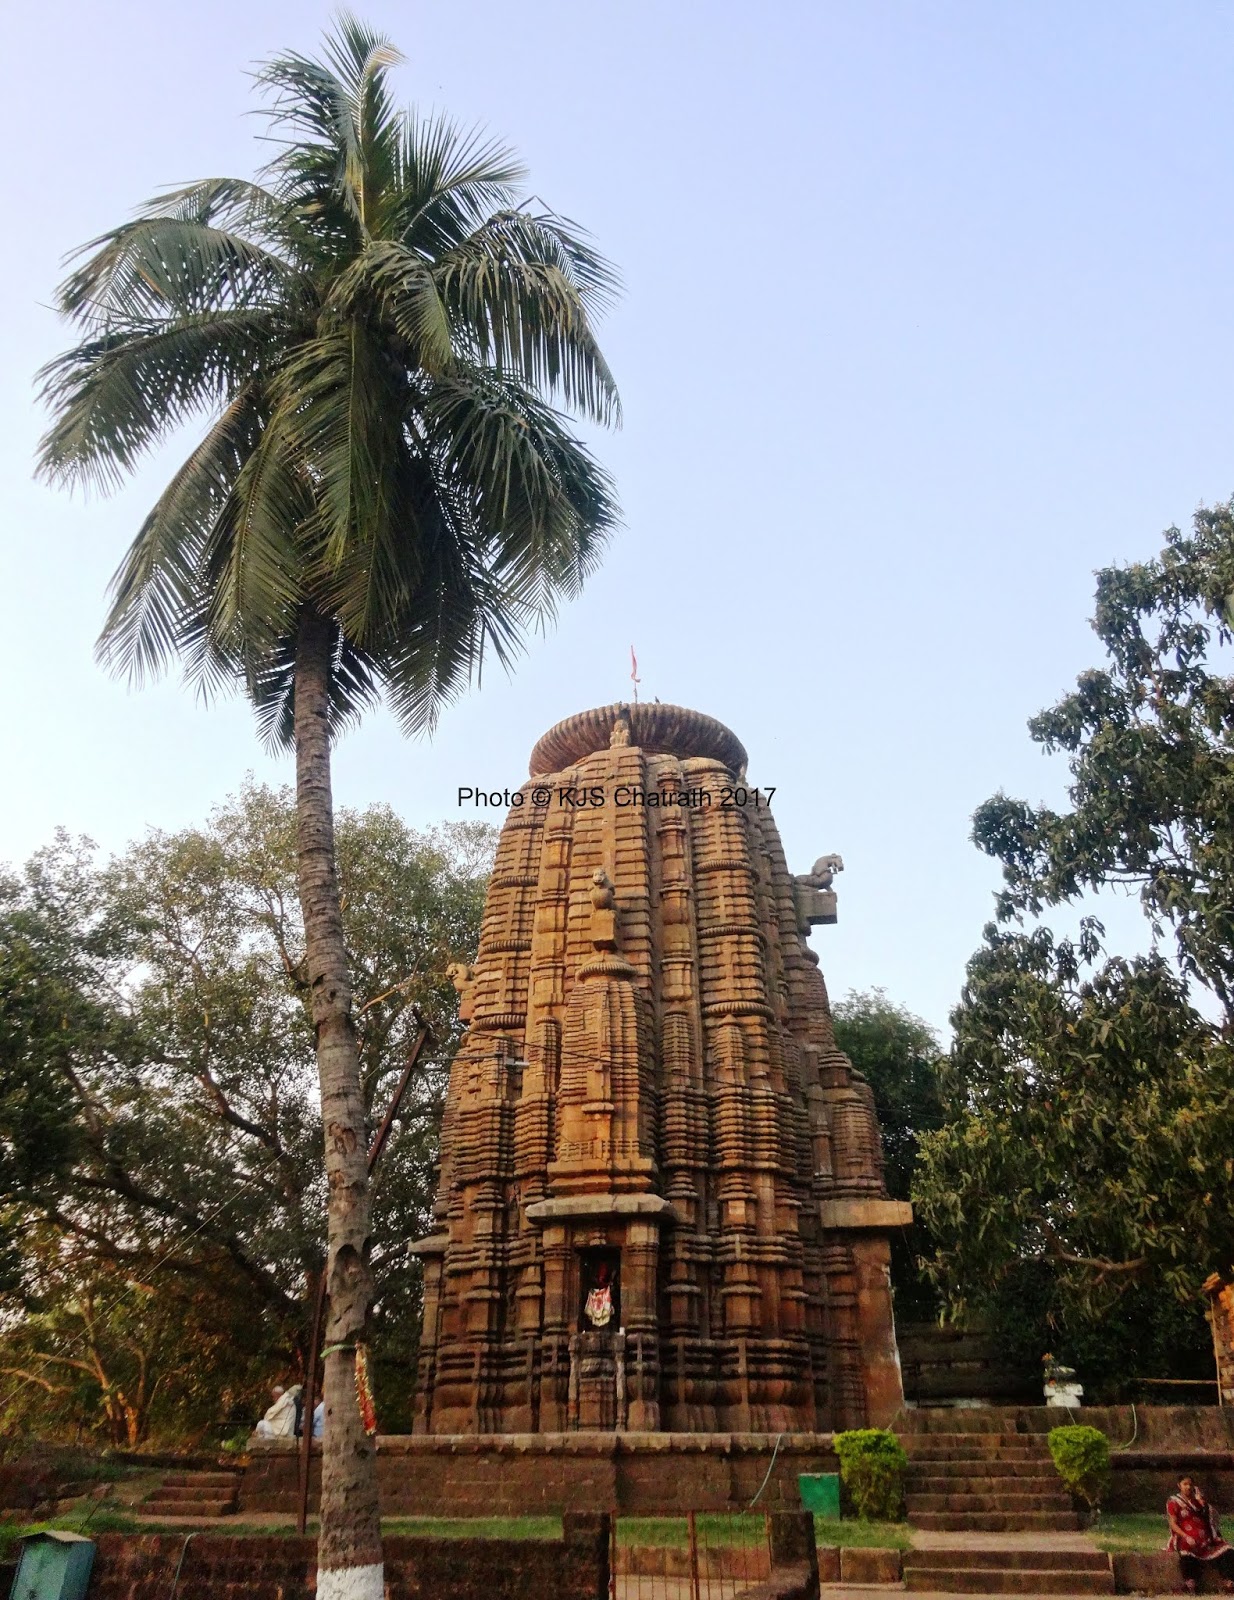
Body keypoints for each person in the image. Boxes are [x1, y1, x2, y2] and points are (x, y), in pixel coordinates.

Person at [1166, 1476, 1234, 1595]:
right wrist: (1185, 1536)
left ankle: (1229, 1582)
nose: (1188, 1487)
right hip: (1186, 1537)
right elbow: (1173, 1523)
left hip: (1206, 1539)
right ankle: (1191, 1583)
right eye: (1185, 1484)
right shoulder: (1174, 1502)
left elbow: (1210, 1517)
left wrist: (1202, 1504)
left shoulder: (1198, 1501)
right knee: (1188, 1549)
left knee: (1227, 1550)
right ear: (1179, 1485)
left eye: (1190, 1484)